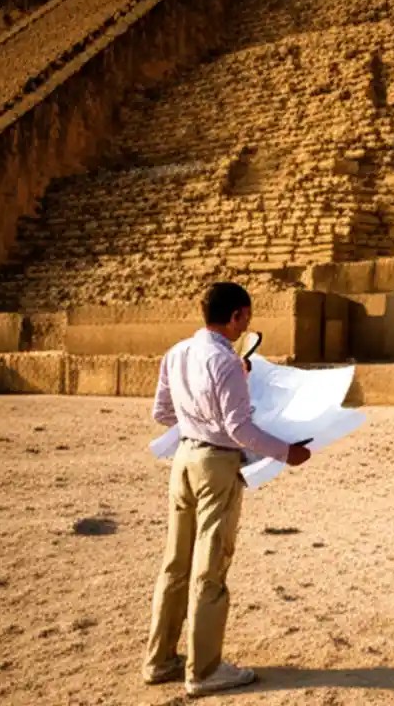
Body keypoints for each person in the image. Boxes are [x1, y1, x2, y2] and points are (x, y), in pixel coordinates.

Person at [142, 282, 312, 697]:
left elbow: (162, 412)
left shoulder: (177, 353)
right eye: (246, 318)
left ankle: (160, 660)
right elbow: (240, 429)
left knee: (174, 563)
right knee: (211, 567)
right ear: (236, 315)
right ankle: (205, 670)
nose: (246, 326)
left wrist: (199, 417)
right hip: (217, 466)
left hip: (183, 461)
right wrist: (285, 452)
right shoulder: (225, 361)